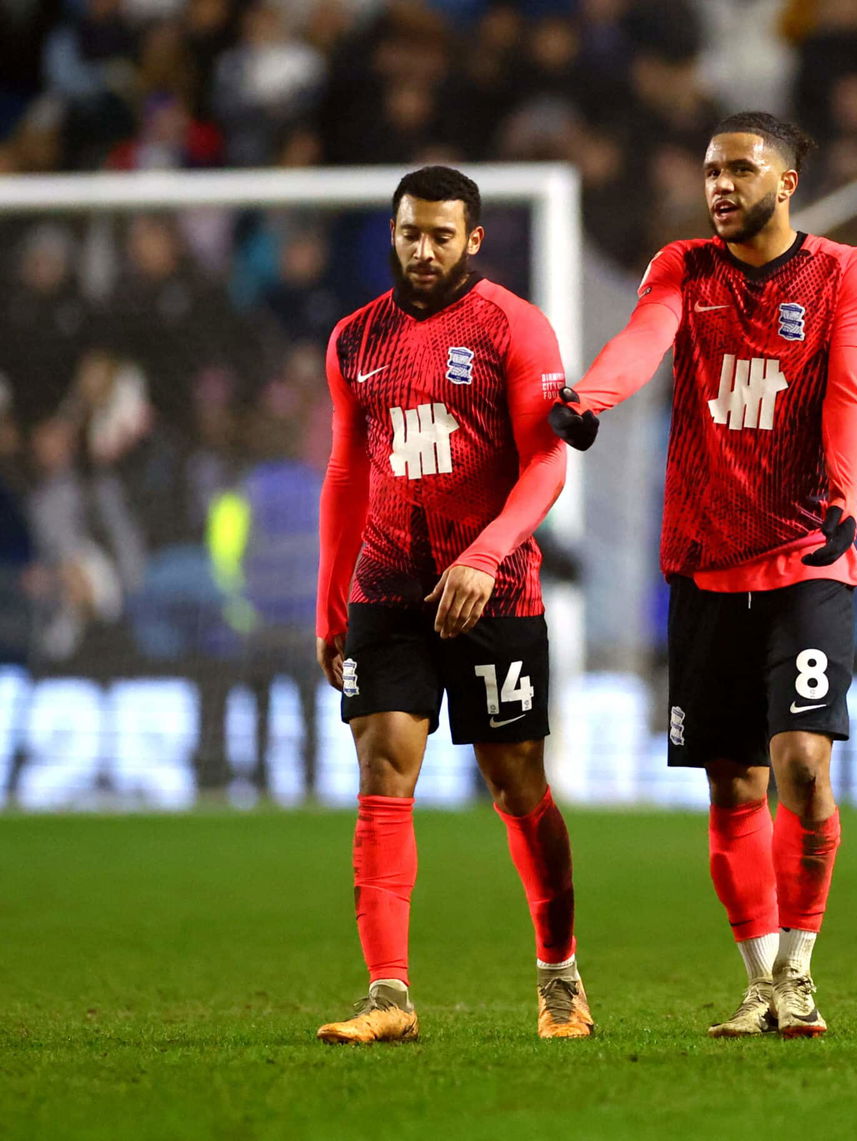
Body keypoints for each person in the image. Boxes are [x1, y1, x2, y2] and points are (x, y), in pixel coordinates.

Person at [547, 112, 857, 1038]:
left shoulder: (845, 273)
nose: (721, 184)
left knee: (804, 765)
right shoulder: (682, 269)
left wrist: (844, 496)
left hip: (808, 557)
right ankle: (758, 982)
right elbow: (643, 341)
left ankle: (801, 971)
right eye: (711, 170)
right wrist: (588, 399)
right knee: (732, 784)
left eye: (741, 168)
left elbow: (852, 392)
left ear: (787, 182)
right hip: (703, 562)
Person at [313, 166, 592, 1044]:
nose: (422, 250)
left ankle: (560, 977)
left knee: (517, 786)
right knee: (382, 769)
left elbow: (548, 462)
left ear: (473, 239)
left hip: (496, 591)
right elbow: (348, 474)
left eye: (441, 235)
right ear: (391, 234)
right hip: (388, 586)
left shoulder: (514, 325)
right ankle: (388, 994)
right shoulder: (355, 339)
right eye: (409, 234)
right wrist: (329, 605)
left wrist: (485, 553)